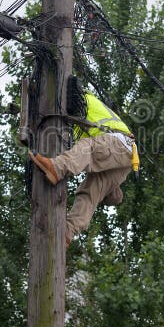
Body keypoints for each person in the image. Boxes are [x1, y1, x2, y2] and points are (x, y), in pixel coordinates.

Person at [29, 88, 137, 246]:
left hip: (118, 143)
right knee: (89, 191)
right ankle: (68, 231)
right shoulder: (82, 123)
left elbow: (88, 153)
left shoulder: (83, 100)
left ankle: (56, 168)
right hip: (126, 156)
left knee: (88, 147)